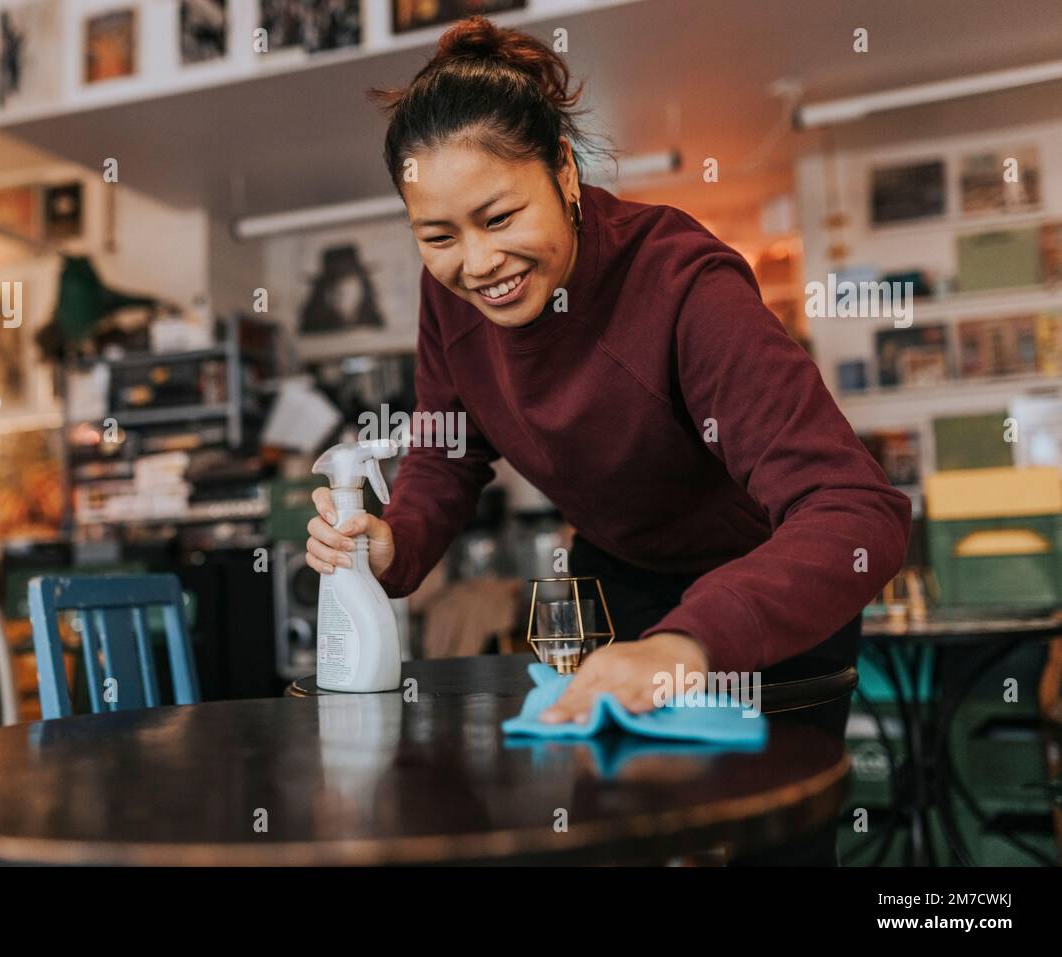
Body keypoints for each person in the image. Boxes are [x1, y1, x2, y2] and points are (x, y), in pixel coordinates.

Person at [304, 16, 912, 863]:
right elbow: (449, 447)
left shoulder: (681, 284)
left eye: (498, 216)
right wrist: (393, 541)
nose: (476, 264)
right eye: (438, 236)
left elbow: (857, 510)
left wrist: (682, 647)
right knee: (606, 837)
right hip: (614, 588)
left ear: (563, 173)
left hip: (761, 595)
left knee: (760, 847)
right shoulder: (450, 300)